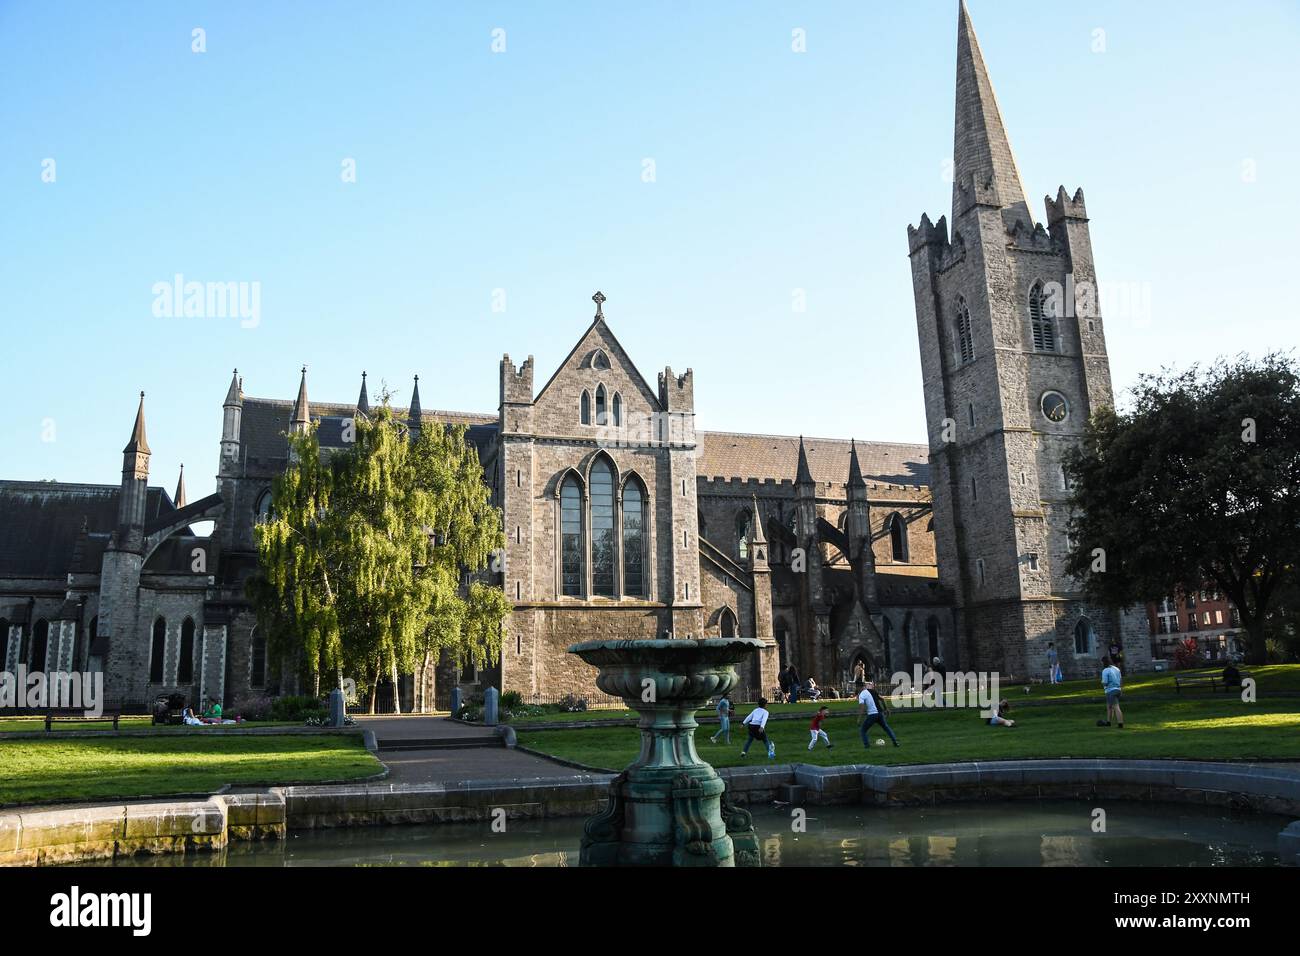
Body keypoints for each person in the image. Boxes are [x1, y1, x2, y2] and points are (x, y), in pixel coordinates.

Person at [857, 681, 899, 748]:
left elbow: (862, 707)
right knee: (886, 728)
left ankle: (867, 746)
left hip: (872, 715)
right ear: (864, 686)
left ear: (858, 687)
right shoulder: (873, 691)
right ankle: (895, 742)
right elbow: (882, 699)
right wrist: (886, 709)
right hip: (880, 713)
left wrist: (859, 718)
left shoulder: (861, 694)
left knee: (863, 730)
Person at [1098, 656, 1124, 728]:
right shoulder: (1116, 669)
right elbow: (1120, 679)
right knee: (1109, 706)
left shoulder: (1105, 670)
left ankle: (1120, 724)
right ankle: (1108, 722)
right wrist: (1121, 689)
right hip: (1118, 689)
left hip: (1110, 691)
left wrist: (1102, 682)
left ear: (1104, 662)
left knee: (1116, 707)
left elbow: (1105, 682)